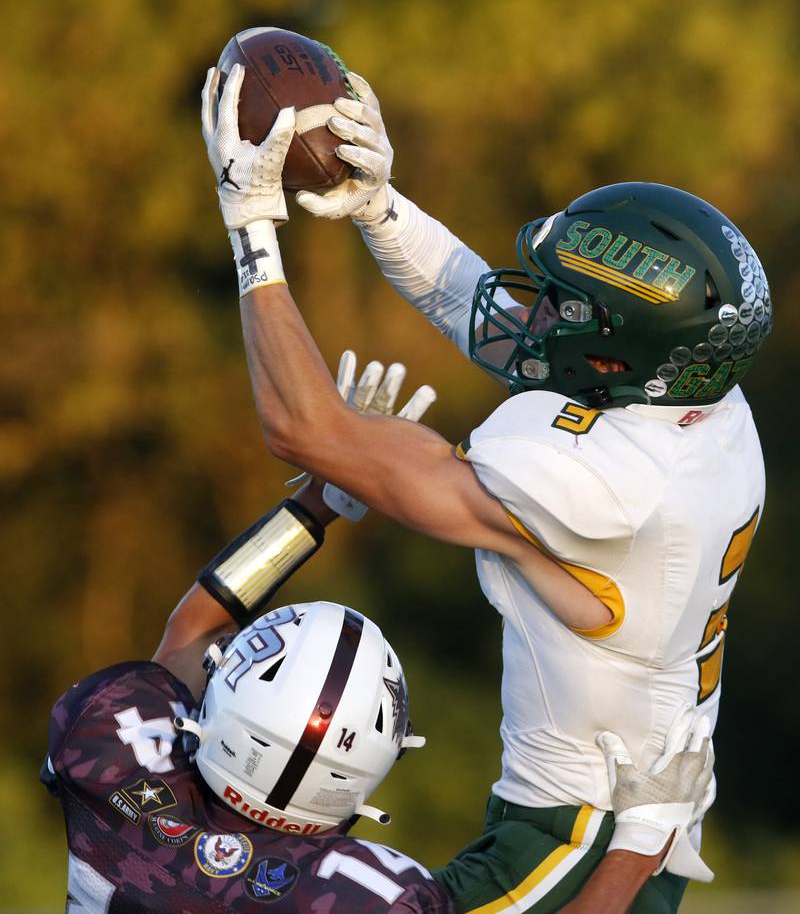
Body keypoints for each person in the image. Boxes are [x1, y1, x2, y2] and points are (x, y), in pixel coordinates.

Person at [200, 61, 761, 912]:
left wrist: (250, 225)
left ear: (615, 360)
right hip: (629, 815)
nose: (537, 311)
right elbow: (509, 330)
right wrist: (381, 211)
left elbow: (304, 430)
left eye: (564, 306)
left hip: (579, 841)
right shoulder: (704, 402)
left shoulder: (607, 491)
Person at [41, 448, 713, 913]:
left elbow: (192, 627)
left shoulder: (114, 748)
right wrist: (640, 841)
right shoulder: (360, 890)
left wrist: (316, 502)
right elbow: (197, 629)